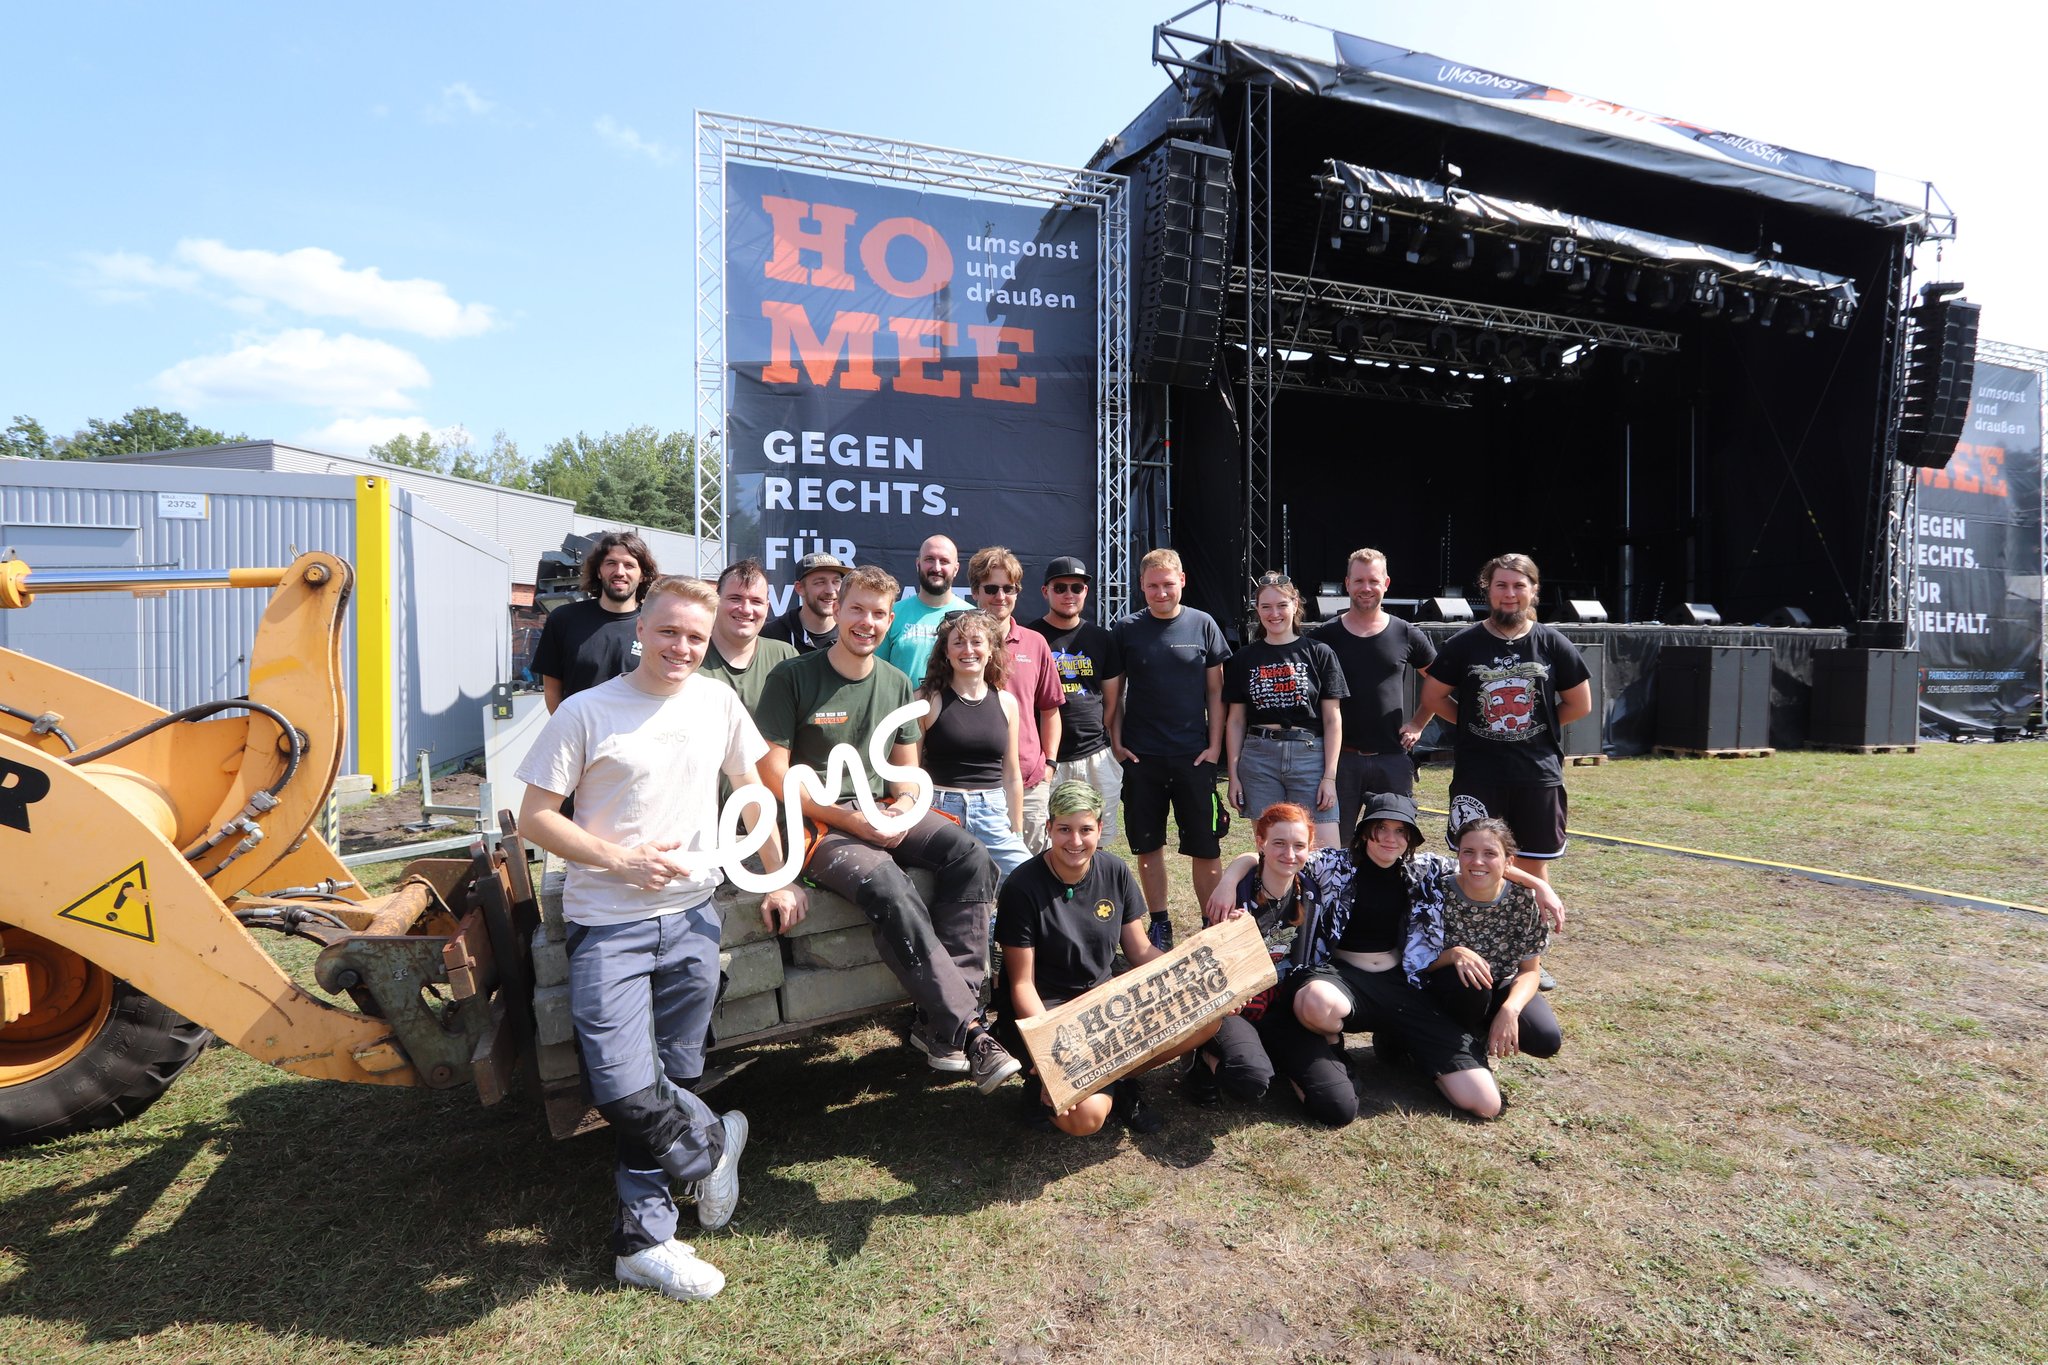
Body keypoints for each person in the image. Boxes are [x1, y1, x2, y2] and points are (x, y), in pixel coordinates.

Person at [515, 575, 806, 1302]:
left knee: (671, 1071)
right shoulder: (586, 711)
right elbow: (535, 818)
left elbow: (750, 793)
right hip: (608, 921)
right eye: (669, 631)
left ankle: (643, 1242)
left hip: (693, 916)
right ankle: (710, 1145)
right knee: (618, 1082)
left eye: (695, 638)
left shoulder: (716, 702)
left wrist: (777, 878)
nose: (681, 647)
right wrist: (620, 859)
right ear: (640, 628)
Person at [755, 564, 1023, 1091]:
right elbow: (773, 777)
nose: (866, 622)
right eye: (857, 609)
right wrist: (850, 818)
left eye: (879, 614)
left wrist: (900, 810)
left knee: (970, 856)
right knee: (888, 884)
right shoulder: (793, 677)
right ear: (839, 608)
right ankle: (971, 1032)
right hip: (817, 827)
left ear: (890, 619)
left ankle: (942, 1025)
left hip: (879, 810)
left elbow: (907, 774)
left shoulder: (897, 682)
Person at [1207, 793, 1563, 1123]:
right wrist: (1229, 878)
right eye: (1380, 830)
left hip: (1404, 984)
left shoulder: (1424, 869)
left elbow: (1480, 862)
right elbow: (1275, 854)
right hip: (1342, 977)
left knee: (1486, 1104)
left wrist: (1540, 886)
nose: (1389, 840)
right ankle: (1333, 1045)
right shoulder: (1334, 864)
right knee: (1317, 1004)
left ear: (1410, 839)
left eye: (1400, 832)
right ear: (1365, 833)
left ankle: (1416, 1054)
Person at [997, 780, 1217, 1136]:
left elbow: (1140, 950)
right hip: (1051, 1010)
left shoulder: (1115, 871)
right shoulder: (1023, 886)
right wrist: (1049, 1049)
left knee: (1207, 1019)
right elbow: (1021, 984)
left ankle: (1118, 1079)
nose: (1075, 841)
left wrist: (1190, 977)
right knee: (1085, 1120)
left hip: (1106, 1004)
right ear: (1049, 827)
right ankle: (1046, 1087)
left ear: (1100, 828)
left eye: (1086, 829)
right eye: (1064, 829)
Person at [1417, 553, 1592, 887]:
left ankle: (1529, 937)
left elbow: (1580, 704)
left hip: (1537, 776)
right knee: (1475, 865)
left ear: (1534, 590)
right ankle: (1473, 935)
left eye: (1518, 585)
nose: (1509, 593)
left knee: (1532, 867)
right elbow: (1432, 697)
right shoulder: (1463, 644)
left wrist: (1537, 725)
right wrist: (1472, 723)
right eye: (1501, 585)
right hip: (1478, 776)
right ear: (1488, 589)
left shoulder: (1552, 642)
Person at [1110, 547, 1230, 952]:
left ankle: (1210, 924)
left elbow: (1216, 692)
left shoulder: (1204, 624)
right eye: (1152, 586)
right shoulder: (1127, 629)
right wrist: (1117, 741)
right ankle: (1159, 923)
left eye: (1168, 584)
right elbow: (1115, 695)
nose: (1161, 592)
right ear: (1141, 586)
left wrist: (1215, 746)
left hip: (1194, 756)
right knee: (1147, 845)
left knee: (1205, 843)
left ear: (1182, 581)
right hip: (1143, 759)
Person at [1418, 817, 1562, 1115]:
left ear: (1509, 861)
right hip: (1449, 987)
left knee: (1546, 1038)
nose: (1477, 861)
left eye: (1490, 853)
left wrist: (1510, 1010)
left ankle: (1482, 1032)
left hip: (1499, 984)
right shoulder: (1437, 892)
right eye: (1467, 852)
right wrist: (1455, 953)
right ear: (1457, 855)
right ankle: (1462, 1052)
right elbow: (1417, 963)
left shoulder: (1523, 900)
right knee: (1472, 984)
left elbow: (1530, 971)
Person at [1181, 802, 1313, 1109]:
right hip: (1237, 1004)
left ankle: (1275, 1055)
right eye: (1278, 843)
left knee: (1337, 1104)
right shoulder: (1237, 896)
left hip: (1285, 1003)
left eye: (1299, 845)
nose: (1289, 854)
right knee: (1248, 1080)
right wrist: (1229, 881)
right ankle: (1203, 1056)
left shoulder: (1313, 884)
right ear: (1260, 841)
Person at [1309, 548, 1438, 842]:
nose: (1366, 588)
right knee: (1334, 849)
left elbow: (1440, 682)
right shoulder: (1324, 636)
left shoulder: (1406, 633)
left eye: (1373, 581)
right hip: (1339, 762)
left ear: (1386, 583)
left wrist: (1419, 722)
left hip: (1392, 759)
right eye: (1359, 581)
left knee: (1391, 848)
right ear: (1347, 583)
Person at [1224, 572, 1348, 850]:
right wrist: (1233, 776)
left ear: (1295, 604)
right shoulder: (1243, 659)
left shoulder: (1320, 653)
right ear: (1257, 610)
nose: (1274, 613)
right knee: (1272, 850)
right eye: (1265, 606)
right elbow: (1235, 721)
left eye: (1281, 605)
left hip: (1310, 757)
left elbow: (1332, 719)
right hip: (1259, 759)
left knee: (1325, 853)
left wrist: (1329, 777)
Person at [917, 609, 1031, 880]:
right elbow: (911, 769)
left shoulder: (1007, 703)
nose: (968, 650)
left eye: (977, 641)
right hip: (940, 810)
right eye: (958, 642)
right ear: (946, 651)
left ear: (991, 649)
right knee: (944, 891)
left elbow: (1012, 774)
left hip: (992, 811)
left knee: (1028, 880)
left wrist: (1016, 830)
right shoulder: (925, 700)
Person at [966, 546, 1064, 856]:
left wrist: (1048, 765)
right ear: (974, 592)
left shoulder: (1035, 643)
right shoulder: (958, 643)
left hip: (1029, 782)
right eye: (991, 588)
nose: (1000, 596)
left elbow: (1050, 709)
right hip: (974, 784)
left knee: (1027, 873)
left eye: (1009, 588)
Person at [1024, 555, 1126, 843]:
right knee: (1046, 839)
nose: (1069, 594)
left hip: (1095, 754)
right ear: (1046, 591)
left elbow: (1112, 701)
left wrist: (1111, 747)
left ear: (1086, 592)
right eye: (1060, 588)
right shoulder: (1031, 637)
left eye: (1076, 587)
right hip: (1044, 760)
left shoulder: (1102, 639)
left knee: (1098, 839)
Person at [533, 531, 657, 712]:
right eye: (611, 563)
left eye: (629, 565)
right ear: (599, 571)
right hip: (579, 735)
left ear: (643, 575)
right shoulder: (563, 619)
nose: (619, 572)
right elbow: (552, 689)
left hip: (635, 735)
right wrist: (567, 729)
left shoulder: (654, 626)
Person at [698, 559, 798, 717]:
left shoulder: (785, 656)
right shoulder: (692, 653)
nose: (745, 609)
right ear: (715, 602)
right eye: (735, 598)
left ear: (767, 607)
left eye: (756, 601)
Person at [879, 535, 967, 679]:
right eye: (929, 559)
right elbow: (877, 671)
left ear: (956, 569)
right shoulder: (892, 614)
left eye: (944, 561)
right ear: (918, 563)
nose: (936, 567)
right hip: (903, 702)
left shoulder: (971, 616)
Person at [761, 551, 845, 654]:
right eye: (820, 582)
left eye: (836, 581)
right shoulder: (772, 635)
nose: (830, 590)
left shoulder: (851, 633)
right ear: (800, 588)